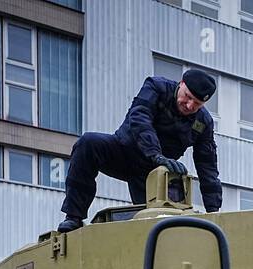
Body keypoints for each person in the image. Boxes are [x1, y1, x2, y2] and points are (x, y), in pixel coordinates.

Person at [58, 69, 222, 232]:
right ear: (182, 84)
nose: (190, 105)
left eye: (198, 104)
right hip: (123, 152)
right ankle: (73, 217)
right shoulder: (156, 87)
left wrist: (214, 214)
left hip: (153, 175)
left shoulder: (203, 122)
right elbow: (140, 118)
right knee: (88, 143)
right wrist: (155, 154)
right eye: (188, 97)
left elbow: (207, 166)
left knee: (157, 225)